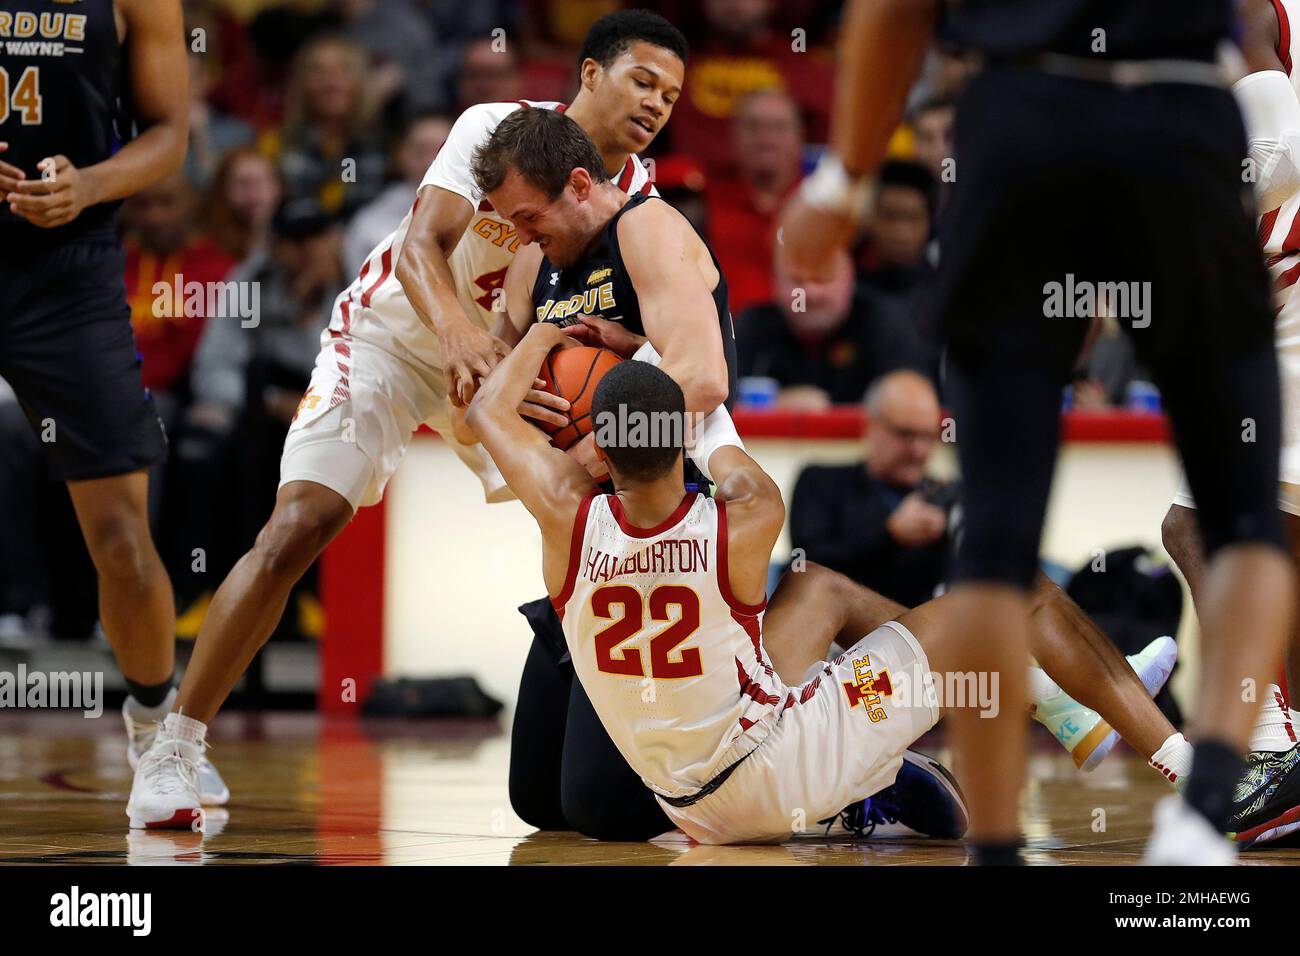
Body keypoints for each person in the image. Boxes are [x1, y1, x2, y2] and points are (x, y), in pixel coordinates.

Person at [125, 8, 690, 830]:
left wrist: (542, 354)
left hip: (508, 361)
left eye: (672, 95)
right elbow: (426, 244)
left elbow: (627, 319)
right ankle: (175, 745)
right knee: (298, 526)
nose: (656, 104)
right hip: (395, 337)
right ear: (592, 74)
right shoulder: (497, 127)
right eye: (643, 80)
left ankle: (622, 746)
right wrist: (458, 335)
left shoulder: (640, 198)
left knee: (595, 525)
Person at [780, 0, 1296, 865]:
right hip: (1185, 113)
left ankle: (997, 850)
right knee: (1236, 518)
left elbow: (893, 11)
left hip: (1023, 125)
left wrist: (844, 182)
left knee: (998, 542)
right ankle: (1206, 812)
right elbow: (1253, 23)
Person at [462, 327, 1222, 846]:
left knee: (818, 588)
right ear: (676, 436)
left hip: (686, 806)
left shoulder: (564, 520)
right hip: (777, 765)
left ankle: (1052, 709)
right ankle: (1185, 764)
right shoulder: (744, 516)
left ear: (597, 438)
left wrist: (543, 337)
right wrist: (647, 345)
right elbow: (715, 421)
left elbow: (487, 407)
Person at [0, 0, 229, 816]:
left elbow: (170, 132)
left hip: (69, 271)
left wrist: (87, 185)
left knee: (124, 539)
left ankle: (153, 728)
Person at [790, 370, 951, 606]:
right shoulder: (820, 482)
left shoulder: (945, 497)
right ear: (871, 426)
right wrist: (890, 535)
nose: (918, 450)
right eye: (906, 434)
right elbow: (804, 566)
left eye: (928, 437)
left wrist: (952, 535)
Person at [736, 247, 925, 409]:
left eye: (823, 279)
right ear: (775, 284)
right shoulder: (753, 326)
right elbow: (719, 406)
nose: (811, 293)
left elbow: (912, 404)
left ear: (850, 279)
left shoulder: (883, 323)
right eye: (798, 281)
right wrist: (777, 404)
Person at [705, 88, 804, 317]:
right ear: (733, 136)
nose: (767, 139)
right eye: (753, 127)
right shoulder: (703, 202)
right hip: (725, 341)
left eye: (779, 128)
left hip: (803, 342)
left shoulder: (820, 207)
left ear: (800, 137)